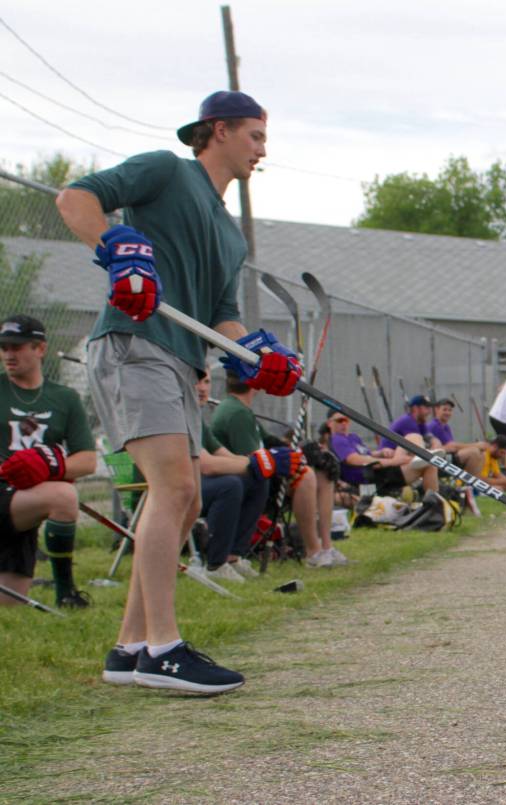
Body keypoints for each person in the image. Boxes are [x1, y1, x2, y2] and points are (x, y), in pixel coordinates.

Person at [57, 90, 302, 694]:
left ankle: (131, 648)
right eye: (255, 136)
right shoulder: (167, 171)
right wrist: (116, 249)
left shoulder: (230, 233)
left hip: (181, 361)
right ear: (216, 130)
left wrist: (258, 354)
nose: (262, 151)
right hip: (134, 344)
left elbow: (220, 313)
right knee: (176, 488)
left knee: (184, 499)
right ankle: (165, 650)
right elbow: (75, 198)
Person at [0, 315, 97, 609]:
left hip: (25, 503)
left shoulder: (64, 398)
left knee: (10, 606)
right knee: (63, 495)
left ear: (40, 349)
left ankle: (62, 586)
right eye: (3, 347)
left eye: (16, 347)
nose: (8, 354)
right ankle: (66, 594)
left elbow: (88, 460)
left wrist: (50, 466)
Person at [211, 375, 346, 568]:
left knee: (324, 472)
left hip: (255, 475)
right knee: (305, 474)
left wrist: (299, 449)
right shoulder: (235, 412)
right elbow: (252, 458)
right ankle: (313, 552)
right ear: (254, 382)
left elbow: (270, 442)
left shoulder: (241, 409)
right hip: (248, 481)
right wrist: (295, 457)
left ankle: (326, 547)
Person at [194, 375, 304, 583]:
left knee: (256, 477)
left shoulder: (197, 418)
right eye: (197, 380)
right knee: (231, 484)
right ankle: (216, 564)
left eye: (207, 381)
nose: (202, 387)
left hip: (196, 484)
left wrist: (262, 463)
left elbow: (224, 455)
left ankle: (234, 557)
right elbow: (207, 465)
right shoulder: (188, 414)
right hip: (172, 490)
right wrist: (259, 462)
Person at [328, 410, 439, 496]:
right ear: (330, 423)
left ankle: (422, 456)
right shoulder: (337, 439)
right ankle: (434, 505)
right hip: (375, 477)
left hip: (382, 469)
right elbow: (354, 459)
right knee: (429, 464)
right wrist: (391, 461)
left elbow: (366, 454)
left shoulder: (352, 437)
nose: (343, 424)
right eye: (339, 421)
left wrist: (380, 453)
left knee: (414, 437)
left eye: (346, 420)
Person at [429, 399, 487, 479]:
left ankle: (471, 485)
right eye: (444, 410)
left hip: (448, 457)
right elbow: (451, 447)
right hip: (438, 461)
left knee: (482, 454)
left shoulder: (446, 427)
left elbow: (452, 447)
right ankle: (470, 487)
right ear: (436, 410)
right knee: (474, 452)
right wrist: (476, 445)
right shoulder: (434, 425)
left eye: (450, 410)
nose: (448, 413)